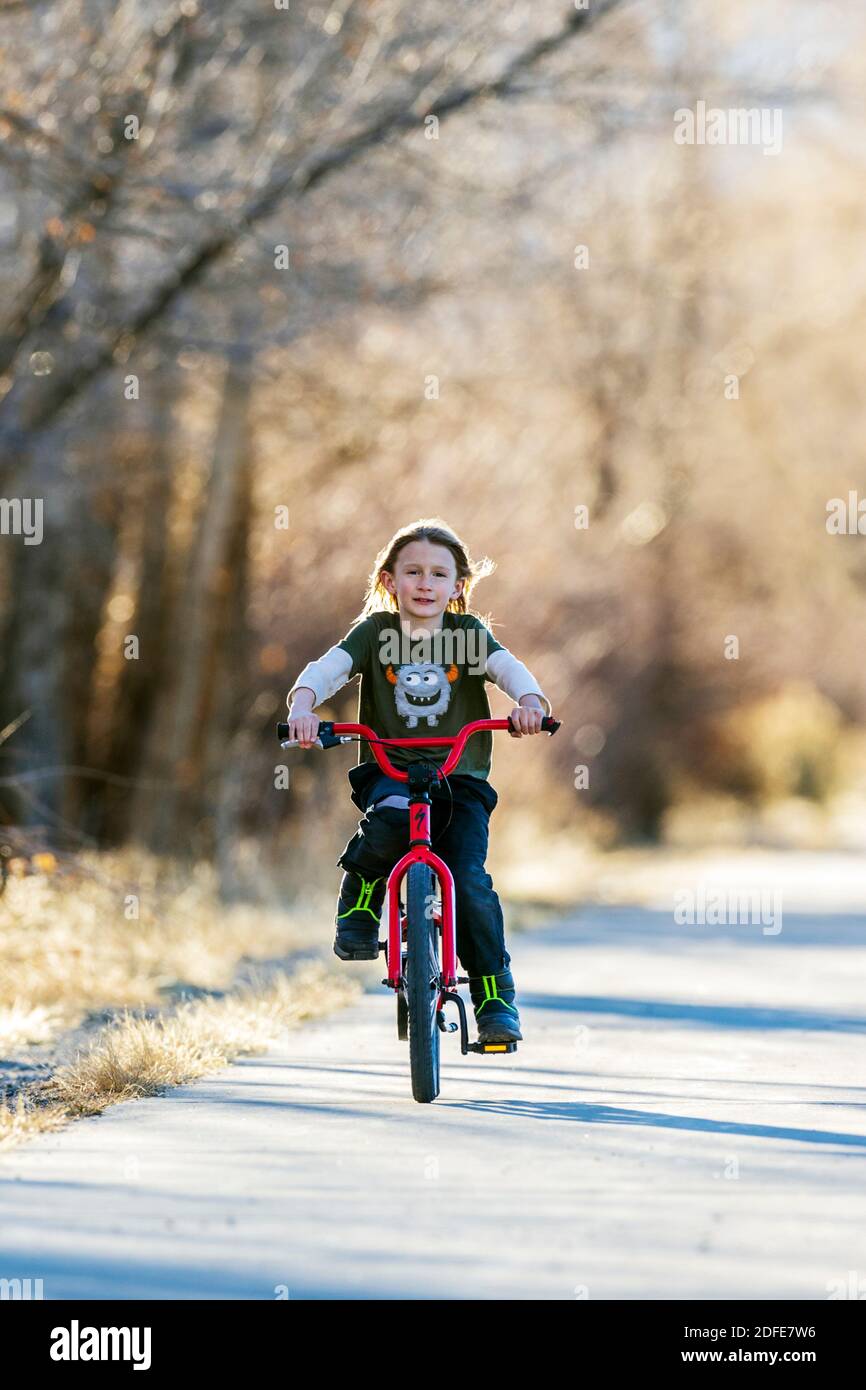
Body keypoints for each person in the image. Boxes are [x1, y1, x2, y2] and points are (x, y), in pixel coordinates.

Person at [284, 517, 553, 1044]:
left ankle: (494, 995)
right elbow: (327, 668)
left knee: (470, 883)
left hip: (461, 780)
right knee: (387, 820)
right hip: (390, 771)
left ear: (458, 586)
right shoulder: (375, 634)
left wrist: (530, 703)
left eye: (437, 574)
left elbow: (508, 668)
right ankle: (360, 906)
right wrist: (302, 704)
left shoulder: (468, 635)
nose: (425, 583)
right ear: (389, 581)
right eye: (412, 572)